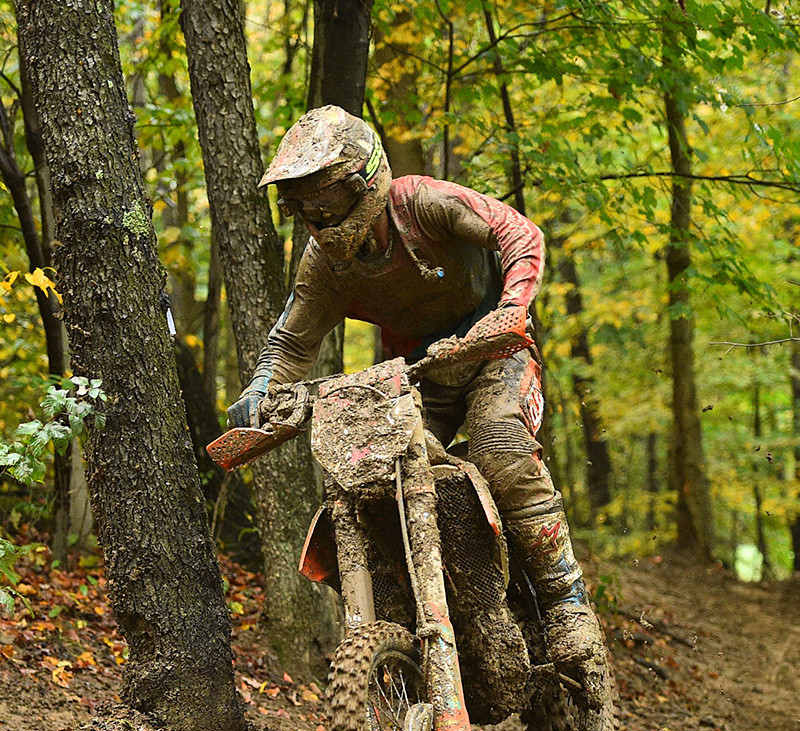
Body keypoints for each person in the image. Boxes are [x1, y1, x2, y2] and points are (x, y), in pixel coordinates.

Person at [229, 104, 609, 688]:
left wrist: (510, 311)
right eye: (302, 206)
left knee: (498, 447)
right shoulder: (324, 267)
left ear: (364, 183)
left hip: (493, 351)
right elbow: (291, 341)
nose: (316, 216)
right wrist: (261, 392)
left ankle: (565, 600)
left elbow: (518, 232)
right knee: (381, 475)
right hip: (418, 376)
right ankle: (436, 613)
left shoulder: (424, 205)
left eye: (324, 201)